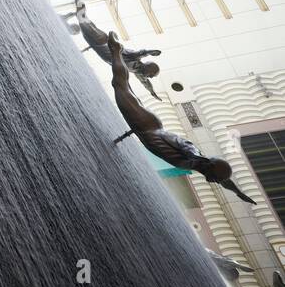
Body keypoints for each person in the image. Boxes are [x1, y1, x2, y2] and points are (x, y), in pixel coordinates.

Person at [106, 32, 256, 204]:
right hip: (144, 126)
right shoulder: (193, 156)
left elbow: (224, 180)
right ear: (210, 167)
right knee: (120, 86)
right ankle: (116, 50)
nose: (216, 182)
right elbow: (194, 155)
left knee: (125, 88)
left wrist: (238, 192)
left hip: (149, 126)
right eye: (216, 178)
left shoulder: (200, 165)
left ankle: (117, 53)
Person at [70, 0, 160, 98]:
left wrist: (152, 92)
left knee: (82, 18)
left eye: (152, 76)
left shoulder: (137, 72)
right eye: (152, 74)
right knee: (81, 18)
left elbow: (145, 82)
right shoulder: (136, 60)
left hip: (98, 45)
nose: (150, 77)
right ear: (148, 66)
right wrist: (149, 52)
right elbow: (140, 53)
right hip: (102, 43)